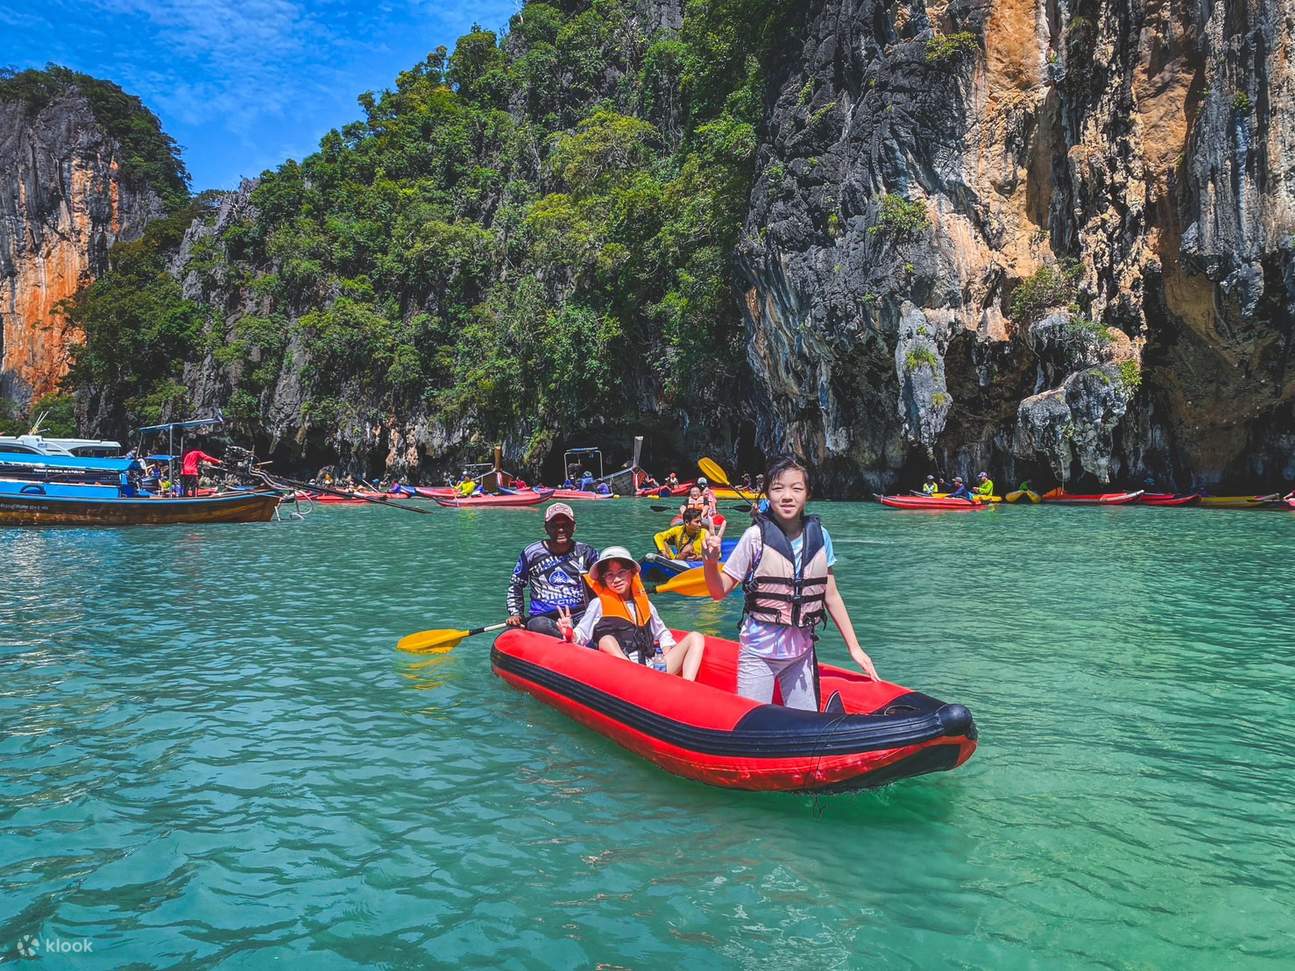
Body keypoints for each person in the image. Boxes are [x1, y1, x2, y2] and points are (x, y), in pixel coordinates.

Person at [702, 457, 879, 710]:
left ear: (808, 494)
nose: (787, 496)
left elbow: (831, 596)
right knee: (755, 725)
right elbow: (718, 592)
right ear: (767, 495)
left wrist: (855, 648)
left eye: (796, 489)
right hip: (759, 654)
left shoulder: (820, 536)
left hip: (801, 655)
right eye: (778, 488)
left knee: (807, 723)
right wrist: (710, 562)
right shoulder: (754, 537)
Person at [557, 547, 706, 680]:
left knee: (696, 637)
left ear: (632, 573)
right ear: (603, 579)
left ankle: (687, 685)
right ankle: (635, 673)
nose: (616, 579)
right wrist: (570, 633)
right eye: (609, 575)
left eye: (622, 572)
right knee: (606, 640)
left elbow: (662, 633)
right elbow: (581, 635)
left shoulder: (645, 604)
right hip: (622, 673)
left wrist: (665, 656)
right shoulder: (598, 604)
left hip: (651, 669)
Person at [506, 503, 599, 636]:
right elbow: (516, 584)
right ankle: (568, 637)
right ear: (546, 528)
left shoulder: (587, 552)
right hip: (544, 618)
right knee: (539, 625)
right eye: (554, 525)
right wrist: (515, 613)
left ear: (574, 527)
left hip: (580, 616)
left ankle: (574, 637)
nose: (560, 529)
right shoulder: (531, 553)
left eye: (565, 525)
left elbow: (602, 584)